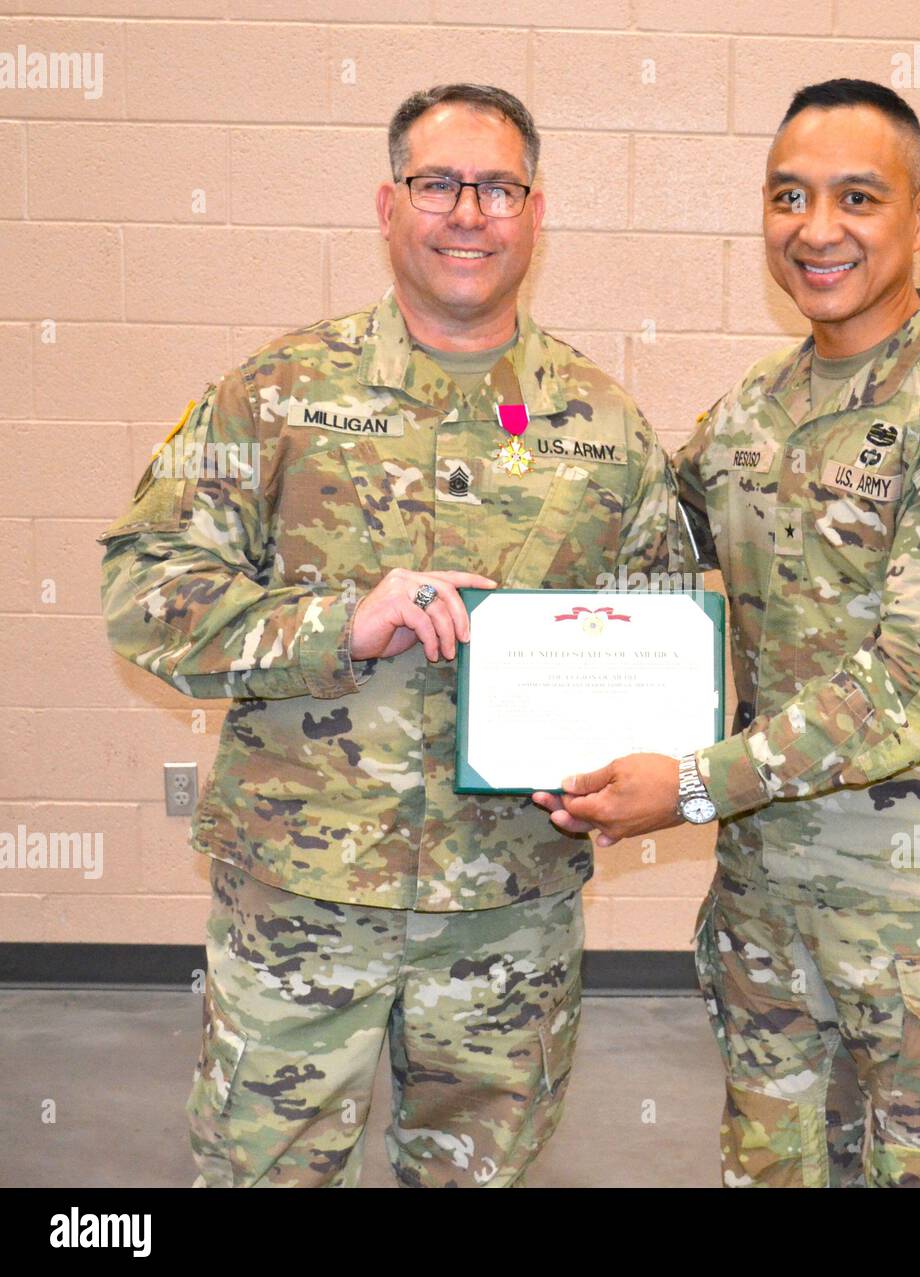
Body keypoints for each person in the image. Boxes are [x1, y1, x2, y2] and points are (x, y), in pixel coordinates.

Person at [100, 83, 681, 1188]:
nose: (469, 210)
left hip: (507, 912)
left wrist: (632, 772)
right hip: (300, 904)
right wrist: (336, 623)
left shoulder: (606, 428)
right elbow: (143, 587)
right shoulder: (274, 396)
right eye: (437, 184)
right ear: (387, 202)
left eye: (498, 186)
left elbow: (656, 639)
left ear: (534, 211)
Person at [536, 78, 920, 1188]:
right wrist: (500, 461)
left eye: (856, 197)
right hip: (766, 898)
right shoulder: (750, 414)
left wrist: (686, 784)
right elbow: (638, 551)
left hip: (919, 908)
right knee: (770, 1163)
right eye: (788, 196)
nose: (815, 229)